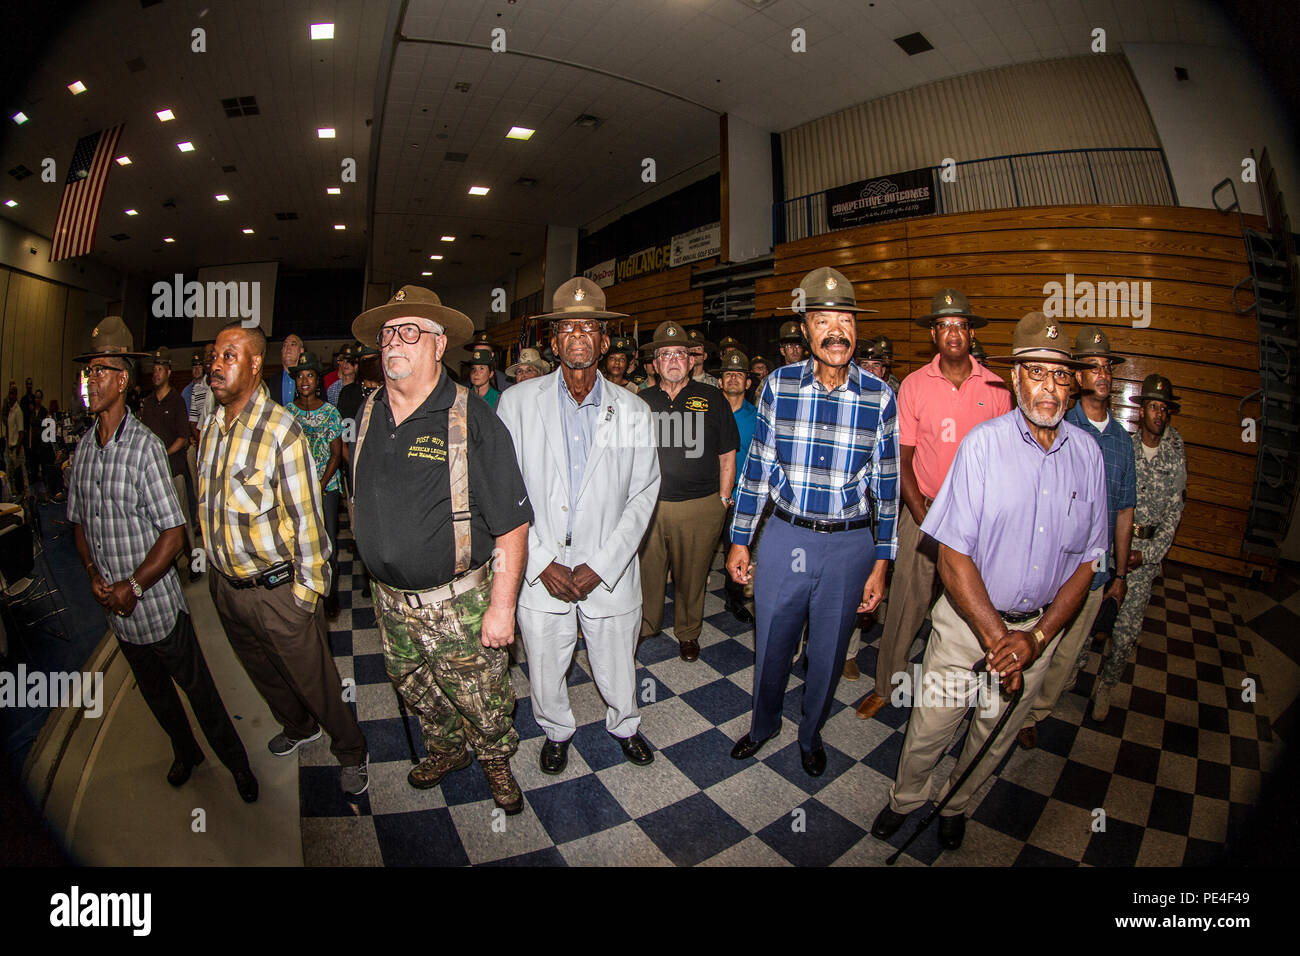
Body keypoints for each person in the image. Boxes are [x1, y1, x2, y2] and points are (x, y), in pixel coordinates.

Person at [870, 312, 1106, 851]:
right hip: (967, 628)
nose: (1049, 388)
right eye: (1037, 373)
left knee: (991, 737)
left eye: (1060, 375)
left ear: (1071, 383)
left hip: (1037, 634)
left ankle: (957, 803)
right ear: (1016, 377)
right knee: (932, 726)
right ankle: (906, 799)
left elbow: (1087, 564)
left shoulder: (1088, 457)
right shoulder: (982, 447)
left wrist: (1038, 639)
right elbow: (952, 556)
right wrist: (999, 639)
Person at [349, 286, 531, 812]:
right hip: (390, 603)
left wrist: (502, 607)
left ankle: (496, 762)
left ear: (438, 344)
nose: (393, 343)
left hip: (461, 605)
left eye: (410, 331)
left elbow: (513, 525)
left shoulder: (472, 418)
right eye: (387, 333)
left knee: (484, 699)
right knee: (417, 690)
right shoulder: (368, 412)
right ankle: (447, 750)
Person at [67, 316, 256, 802]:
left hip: (154, 607)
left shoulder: (146, 448)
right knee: (155, 695)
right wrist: (94, 575)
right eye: (88, 371)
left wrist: (132, 586)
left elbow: (174, 535)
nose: (92, 379)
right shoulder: (85, 451)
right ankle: (185, 752)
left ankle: (236, 765)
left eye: (101, 370)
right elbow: (79, 524)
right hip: (117, 614)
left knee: (201, 692)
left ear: (123, 378)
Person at [727, 266, 896, 777]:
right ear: (806, 331)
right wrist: (740, 540)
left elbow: (887, 490)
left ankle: (811, 732)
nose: (836, 331)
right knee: (772, 639)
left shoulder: (880, 397)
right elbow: (757, 467)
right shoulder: (778, 386)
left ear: (856, 328)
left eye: (844, 319)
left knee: (828, 652)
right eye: (823, 320)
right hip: (784, 536)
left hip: (848, 547)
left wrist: (882, 563)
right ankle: (762, 725)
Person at [497, 277, 659, 772]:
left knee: (615, 660)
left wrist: (603, 565)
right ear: (553, 340)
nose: (579, 337)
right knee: (545, 661)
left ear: (604, 340)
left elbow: (642, 493)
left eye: (589, 327)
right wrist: (542, 561)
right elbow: (504, 492)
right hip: (540, 565)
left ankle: (624, 722)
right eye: (569, 327)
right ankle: (556, 729)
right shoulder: (518, 405)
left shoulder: (632, 409)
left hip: (606, 568)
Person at [199, 321, 368, 796]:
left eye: (229, 356)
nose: (216, 364)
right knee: (263, 673)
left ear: (256, 365)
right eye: (215, 355)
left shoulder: (280, 430)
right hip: (226, 586)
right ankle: (298, 727)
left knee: (315, 679)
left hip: (277, 591)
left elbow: (311, 521)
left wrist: (304, 594)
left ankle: (351, 747)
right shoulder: (212, 427)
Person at [856, 288, 1008, 718]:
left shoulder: (996, 387)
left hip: (978, 515)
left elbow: (1004, 459)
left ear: (971, 332)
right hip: (924, 506)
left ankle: (989, 693)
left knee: (977, 602)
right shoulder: (915, 386)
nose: (953, 333)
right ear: (934, 334)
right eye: (944, 326)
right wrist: (920, 513)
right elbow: (901, 459)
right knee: (906, 601)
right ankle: (887, 684)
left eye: (961, 325)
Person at [1018, 326, 1136, 746]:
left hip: (1095, 568)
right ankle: (1016, 711)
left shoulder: (1123, 442)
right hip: (1053, 562)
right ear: (1078, 376)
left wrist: (1119, 574)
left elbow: (1124, 511)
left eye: (1107, 367)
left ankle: (1038, 711)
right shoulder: (1057, 422)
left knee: (1067, 655)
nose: (1102, 374)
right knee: (1040, 641)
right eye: (1093, 367)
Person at [639, 321, 739, 661]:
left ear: (691, 360)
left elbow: (728, 453)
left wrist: (723, 501)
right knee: (648, 572)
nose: (672, 360)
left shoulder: (712, 398)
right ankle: (647, 624)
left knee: (692, 575)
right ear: (654, 363)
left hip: (700, 505)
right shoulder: (642, 401)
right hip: (650, 506)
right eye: (664, 354)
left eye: (679, 353)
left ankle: (688, 632)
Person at [1092, 373, 1187, 720]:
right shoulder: (1125, 447)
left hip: (1144, 561)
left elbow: (1175, 512)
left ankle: (1106, 684)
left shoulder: (1176, 455)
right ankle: (1071, 672)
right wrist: (1115, 553)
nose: (1158, 415)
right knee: (1088, 617)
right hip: (1110, 550)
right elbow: (1108, 500)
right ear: (1141, 411)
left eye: (1164, 409)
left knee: (1126, 632)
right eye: (1152, 407)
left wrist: (1146, 554)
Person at [286, 351, 344, 620]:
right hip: (297, 489)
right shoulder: (287, 413)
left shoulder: (331, 412)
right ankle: (307, 592)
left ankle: (330, 595)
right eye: (300, 376)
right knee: (301, 542)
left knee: (329, 543)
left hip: (327, 488)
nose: (304, 380)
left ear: (317, 380)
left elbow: (335, 453)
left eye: (309, 375)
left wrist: (319, 486)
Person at [138, 347, 199, 582]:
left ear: (168, 373)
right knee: (160, 523)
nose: (155, 374)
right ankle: (168, 563)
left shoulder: (176, 401)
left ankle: (194, 562)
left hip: (174, 470)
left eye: (160, 370)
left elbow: (183, 438)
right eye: (154, 370)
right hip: (154, 475)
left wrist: (161, 455)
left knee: (182, 519)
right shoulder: (149, 403)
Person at [718, 348, 757, 624]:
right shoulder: (707, 410)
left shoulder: (757, 418)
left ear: (748, 383)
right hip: (709, 494)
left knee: (737, 547)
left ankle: (734, 599)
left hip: (741, 497)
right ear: (720, 381)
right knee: (700, 550)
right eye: (728, 374)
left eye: (739, 374)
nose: (733, 378)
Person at [270, 334, 305, 406]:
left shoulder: (311, 382)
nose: (288, 348)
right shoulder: (270, 382)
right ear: (282, 351)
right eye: (285, 345)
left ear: (301, 351)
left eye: (293, 344)